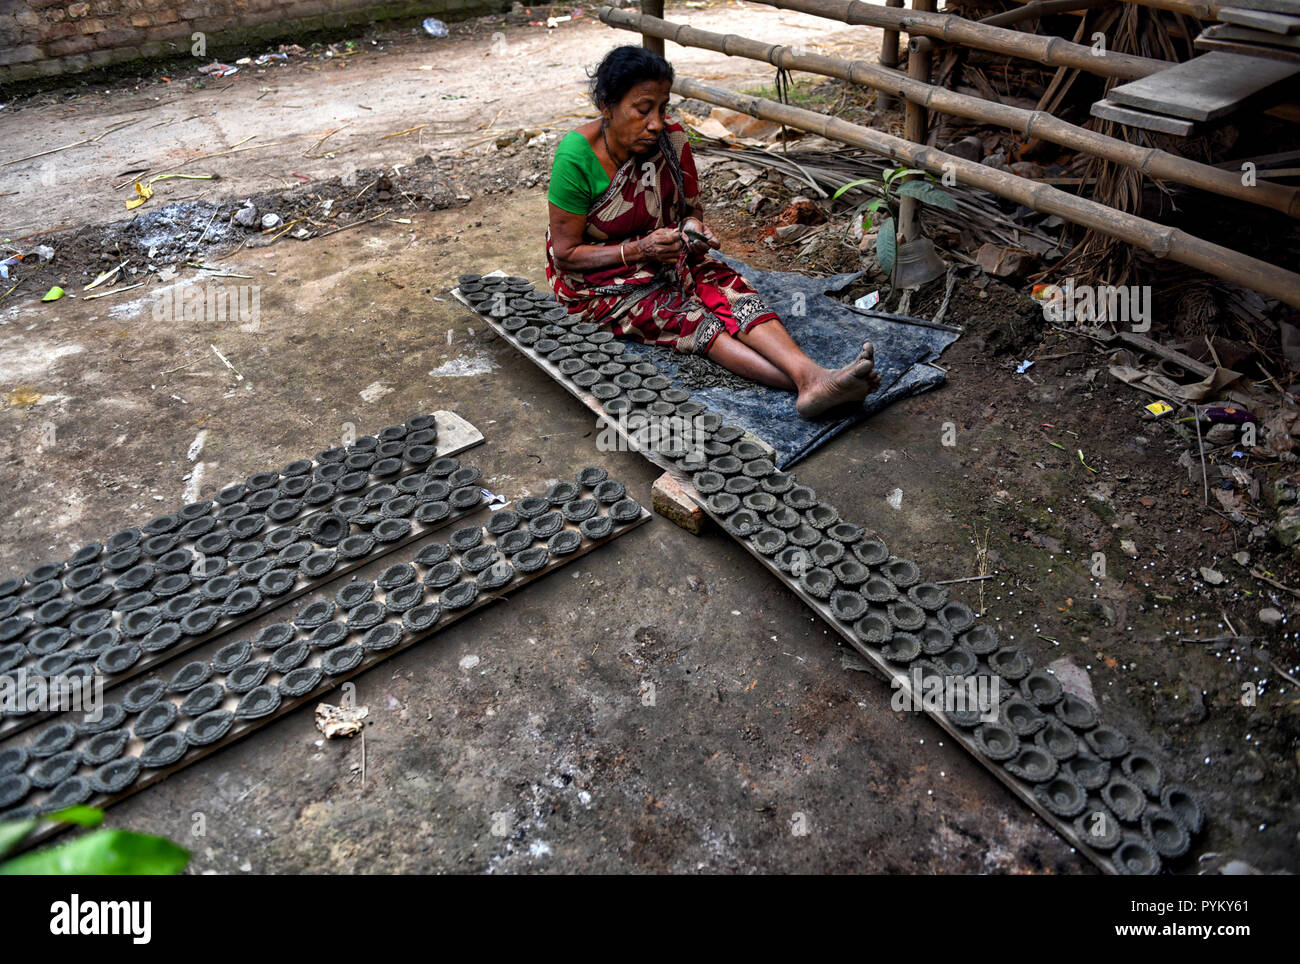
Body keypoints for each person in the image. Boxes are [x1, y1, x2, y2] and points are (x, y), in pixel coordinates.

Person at [545, 45, 881, 418]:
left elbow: (690, 208)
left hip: (665, 254)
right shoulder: (576, 156)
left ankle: (813, 378)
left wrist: (692, 229)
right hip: (597, 279)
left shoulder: (670, 140)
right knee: (687, 316)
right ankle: (812, 383)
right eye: (643, 109)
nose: (656, 122)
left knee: (728, 288)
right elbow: (566, 253)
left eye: (662, 108)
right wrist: (641, 250)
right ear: (607, 105)